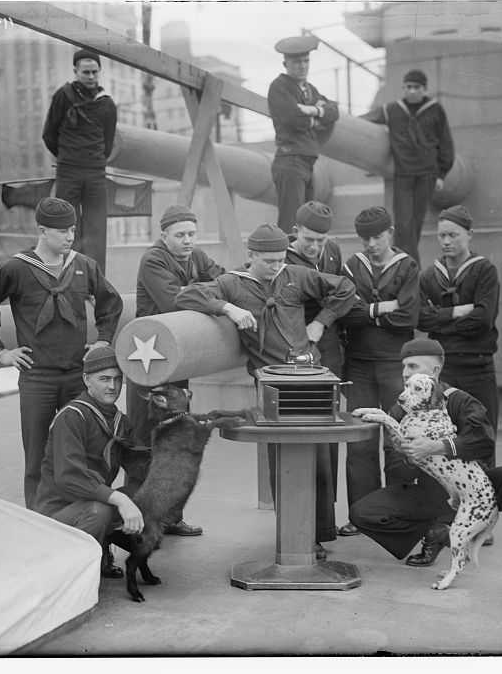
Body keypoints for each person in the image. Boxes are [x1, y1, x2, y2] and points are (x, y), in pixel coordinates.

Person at [174, 223, 357, 558]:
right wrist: (228, 308)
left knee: (317, 459)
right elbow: (186, 294)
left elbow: (345, 288)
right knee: (284, 461)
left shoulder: (296, 275)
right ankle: (293, 533)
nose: (276, 266)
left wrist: (322, 320)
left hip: (309, 376)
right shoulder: (232, 284)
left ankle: (318, 533)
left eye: (280, 259)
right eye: (269, 260)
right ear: (251, 256)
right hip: (272, 385)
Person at [348, 338, 502, 605]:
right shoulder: (402, 408)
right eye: (403, 367)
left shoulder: (460, 401)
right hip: (431, 488)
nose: (404, 373)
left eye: (412, 366)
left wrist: (436, 446)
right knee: (362, 513)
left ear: (434, 372)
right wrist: (410, 457)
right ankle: (437, 530)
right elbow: (394, 462)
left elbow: (484, 440)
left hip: (472, 481)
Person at [0, 197, 124, 511]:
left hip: (77, 379)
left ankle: (90, 526)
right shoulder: (15, 268)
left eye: (72, 230)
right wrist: (0, 352)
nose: (69, 236)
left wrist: (103, 339)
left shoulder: (83, 266)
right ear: (42, 231)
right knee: (37, 457)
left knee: (85, 453)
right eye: (62, 231)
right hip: (37, 379)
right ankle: (39, 522)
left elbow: (111, 303)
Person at [124, 204, 227, 537]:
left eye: (192, 234)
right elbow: (173, 302)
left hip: (176, 360)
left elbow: (224, 282)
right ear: (164, 235)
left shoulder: (196, 257)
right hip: (148, 364)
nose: (187, 240)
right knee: (143, 444)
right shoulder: (153, 260)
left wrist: (195, 292)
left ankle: (170, 517)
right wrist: (198, 294)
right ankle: (136, 522)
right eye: (180, 234)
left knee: (175, 443)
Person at [336, 206, 420, 537]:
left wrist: (366, 311)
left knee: (398, 438)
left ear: (391, 234)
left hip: (394, 363)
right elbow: (347, 313)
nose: (371, 243)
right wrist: (385, 307)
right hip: (358, 363)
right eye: (366, 238)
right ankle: (362, 516)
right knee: (360, 442)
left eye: (377, 236)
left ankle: (399, 513)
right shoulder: (351, 266)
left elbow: (409, 317)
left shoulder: (408, 265)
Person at [34, 345, 145, 579]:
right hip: (58, 513)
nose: (112, 386)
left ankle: (102, 546)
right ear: (87, 379)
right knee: (99, 511)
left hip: (92, 501)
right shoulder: (72, 416)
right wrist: (120, 499)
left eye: (117, 379)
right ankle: (66, 573)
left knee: (150, 492)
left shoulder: (119, 420)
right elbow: (69, 478)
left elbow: (141, 465)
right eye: (104, 379)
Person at [285, 200, 345, 541]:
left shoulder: (332, 250)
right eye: (308, 238)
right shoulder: (281, 256)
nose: (315, 246)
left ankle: (324, 524)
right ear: (295, 233)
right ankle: (302, 529)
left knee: (329, 442)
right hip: (298, 361)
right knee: (302, 443)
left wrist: (322, 322)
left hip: (330, 357)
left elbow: (345, 295)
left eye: (321, 240)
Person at [417, 205, 501, 434]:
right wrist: (455, 312)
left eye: (453, 235)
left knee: (482, 435)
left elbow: (483, 320)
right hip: (444, 368)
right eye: (442, 235)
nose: (446, 241)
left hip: (478, 367)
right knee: (443, 435)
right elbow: (420, 320)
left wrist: (440, 322)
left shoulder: (484, 271)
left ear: (469, 235)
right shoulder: (429, 275)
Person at [361, 69, 455, 265]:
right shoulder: (392, 109)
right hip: (403, 175)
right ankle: (412, 268)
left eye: (417, 87)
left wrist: (442, 174)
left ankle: (406, 267)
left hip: (427, 175)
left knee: (415, 226)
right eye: (409, 87)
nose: (412, 91)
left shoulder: (434, 109)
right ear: (403, 88)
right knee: (403, 224)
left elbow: (445, 142)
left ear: (424, 89)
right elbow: (365, 118)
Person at [42, 48, 118, 271]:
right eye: (86, 72)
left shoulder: (107, 104)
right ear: (76, 71)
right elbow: (49, 135)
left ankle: (95, 282)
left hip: (95, 174)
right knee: (66, 227)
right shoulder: (62, 97)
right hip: (68, 173)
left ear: (100, 71)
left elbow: (108, 141)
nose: (91, 77)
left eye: (95, 72)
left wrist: (92, 160)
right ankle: (68, 278)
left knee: (96, 230)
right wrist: (69, 157)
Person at [267, 36, 340, 232]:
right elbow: (295, 120)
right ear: (286, 64)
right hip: (290, 161)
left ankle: (301, 264)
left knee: (307, 224)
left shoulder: (310, 90)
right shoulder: (279, 87)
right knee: (291, 223)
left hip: (307, 162)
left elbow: (334, 112)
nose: (302, 66)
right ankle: (283, 262)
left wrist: (314, 111)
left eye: (306, 61)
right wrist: (315, 119)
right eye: (297, 62)